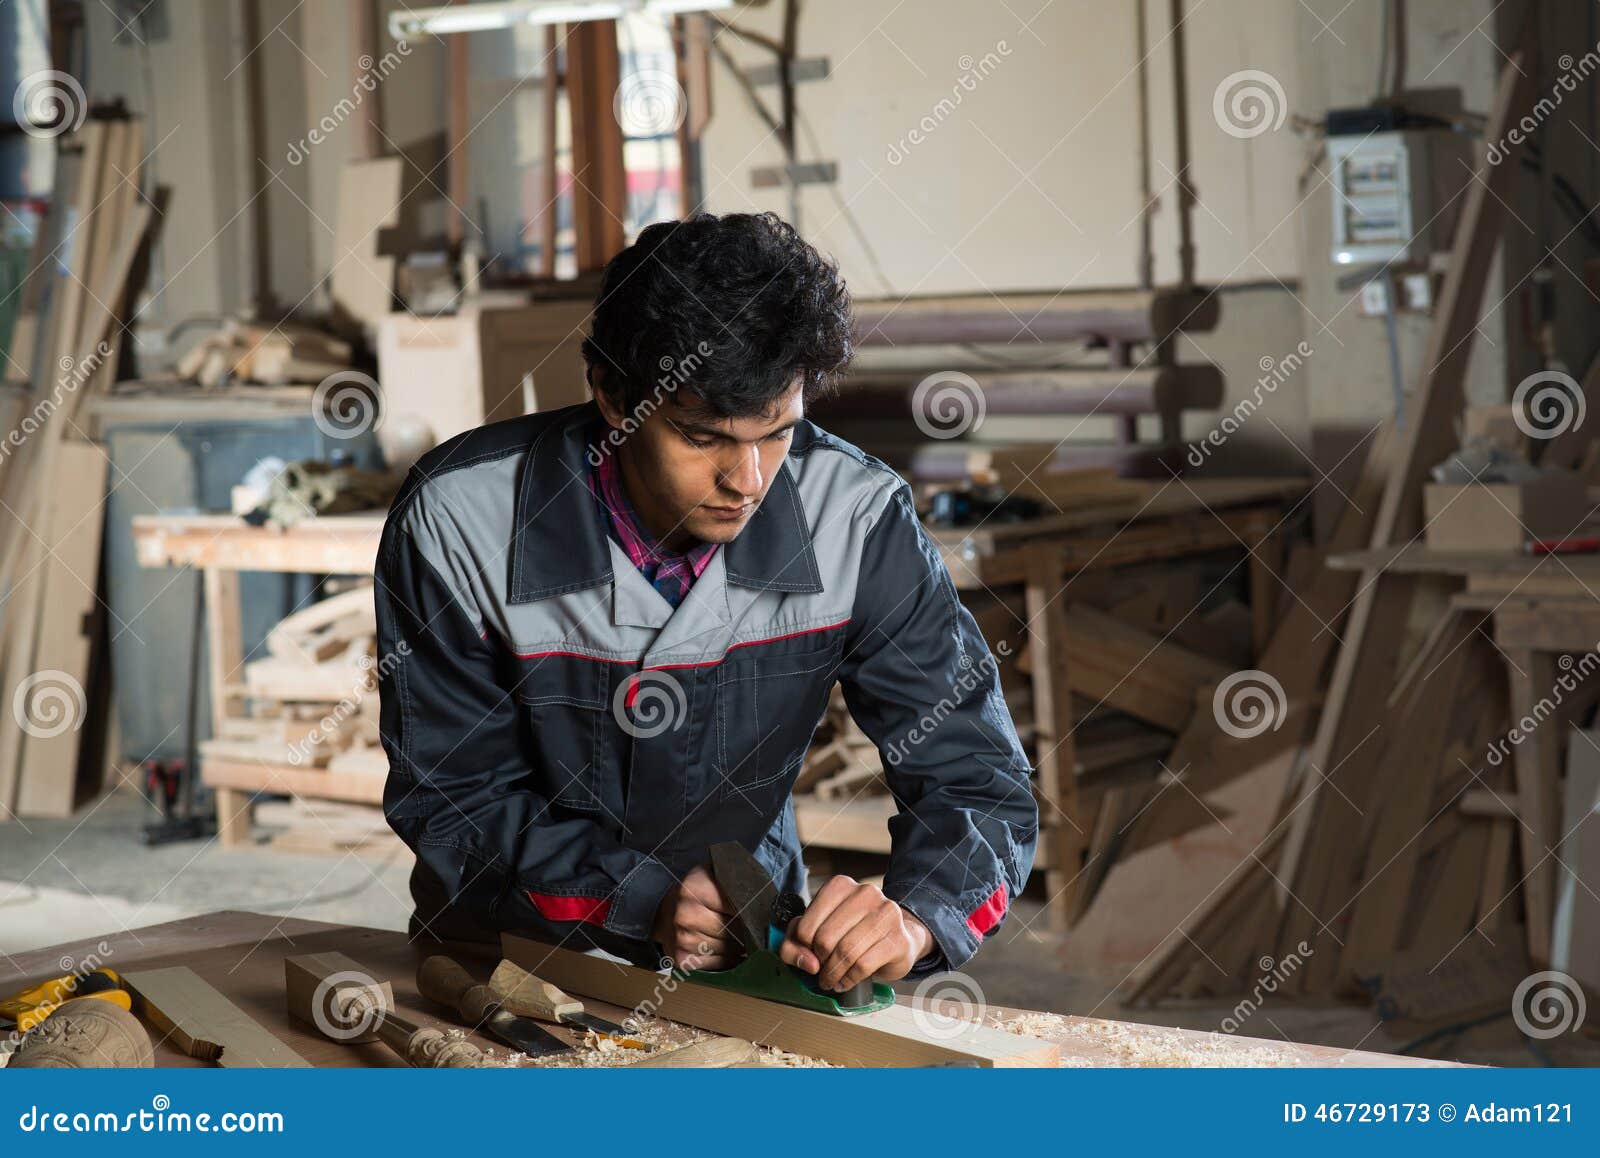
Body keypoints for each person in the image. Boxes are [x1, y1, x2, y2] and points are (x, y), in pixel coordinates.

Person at [375, 212, 1036, 992]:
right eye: (703, 438)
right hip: (508, 965)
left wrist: (921, 913)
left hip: (747, 964)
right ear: (614, 396)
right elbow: (451, 800)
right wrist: (638, 897)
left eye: (778, 433)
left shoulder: (855, 515)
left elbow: (978, 781)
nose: (748, 481)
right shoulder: (459, 518)